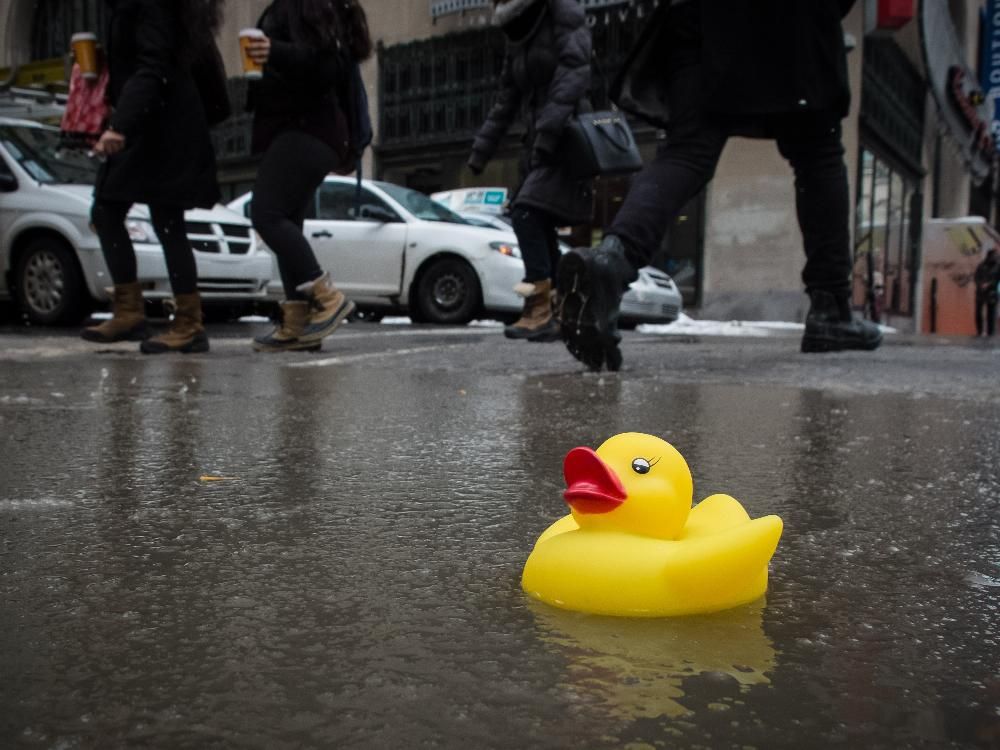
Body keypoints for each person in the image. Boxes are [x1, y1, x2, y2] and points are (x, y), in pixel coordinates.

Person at [556, 0, 882, 371]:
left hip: (701, 18)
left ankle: (612, 259)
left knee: (686, 151)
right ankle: (831, 308)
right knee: (817, 152)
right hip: (794, 19)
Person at [81, 0, 227, 354]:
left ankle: (189, 323)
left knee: (165, 219)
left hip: (165, 124)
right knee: (108, 210)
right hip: (154, 120)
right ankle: (130, 310)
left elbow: (153, 66)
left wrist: (120, 125)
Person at [243, 0, 372, 353]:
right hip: (308, 131)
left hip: (307, 129)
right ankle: (297, 320)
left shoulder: (304, 5)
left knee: (266, 215)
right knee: (287, 221)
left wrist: (274, 51)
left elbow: (324, 65)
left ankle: (325, 297)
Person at [467, 0, 593, 342]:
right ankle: (556, 310)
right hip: (536, 138)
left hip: (566, 136)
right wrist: (482, 148)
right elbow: (507, 95)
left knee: (525, 213)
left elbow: (576, 70)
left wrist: (550, 131)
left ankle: (540, 308)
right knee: (539, 221)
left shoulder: (561, 10)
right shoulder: (517, 29)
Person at [974, 248, 1000, 337]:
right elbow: (976, 277)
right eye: (993, 255)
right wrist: (980, 284)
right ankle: (979, 331)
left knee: (991, 314)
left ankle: (990, 333)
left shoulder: (998, 266)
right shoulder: (981, 266)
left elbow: (997, 279)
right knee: (978, 313)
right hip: (980, 293)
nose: (995, 257)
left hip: (992, 293)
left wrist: (989, 284)